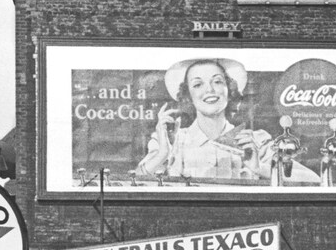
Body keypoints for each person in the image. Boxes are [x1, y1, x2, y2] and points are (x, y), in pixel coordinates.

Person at [136, 58, 319, 183]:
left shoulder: (255, 140)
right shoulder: (171, 140)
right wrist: (162, 154)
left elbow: (312, 180)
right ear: (188, 95)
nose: (210, 90)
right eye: (198, 84)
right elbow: (136, 181)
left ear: (229, 90)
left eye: (217, 82)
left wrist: (259, 167)